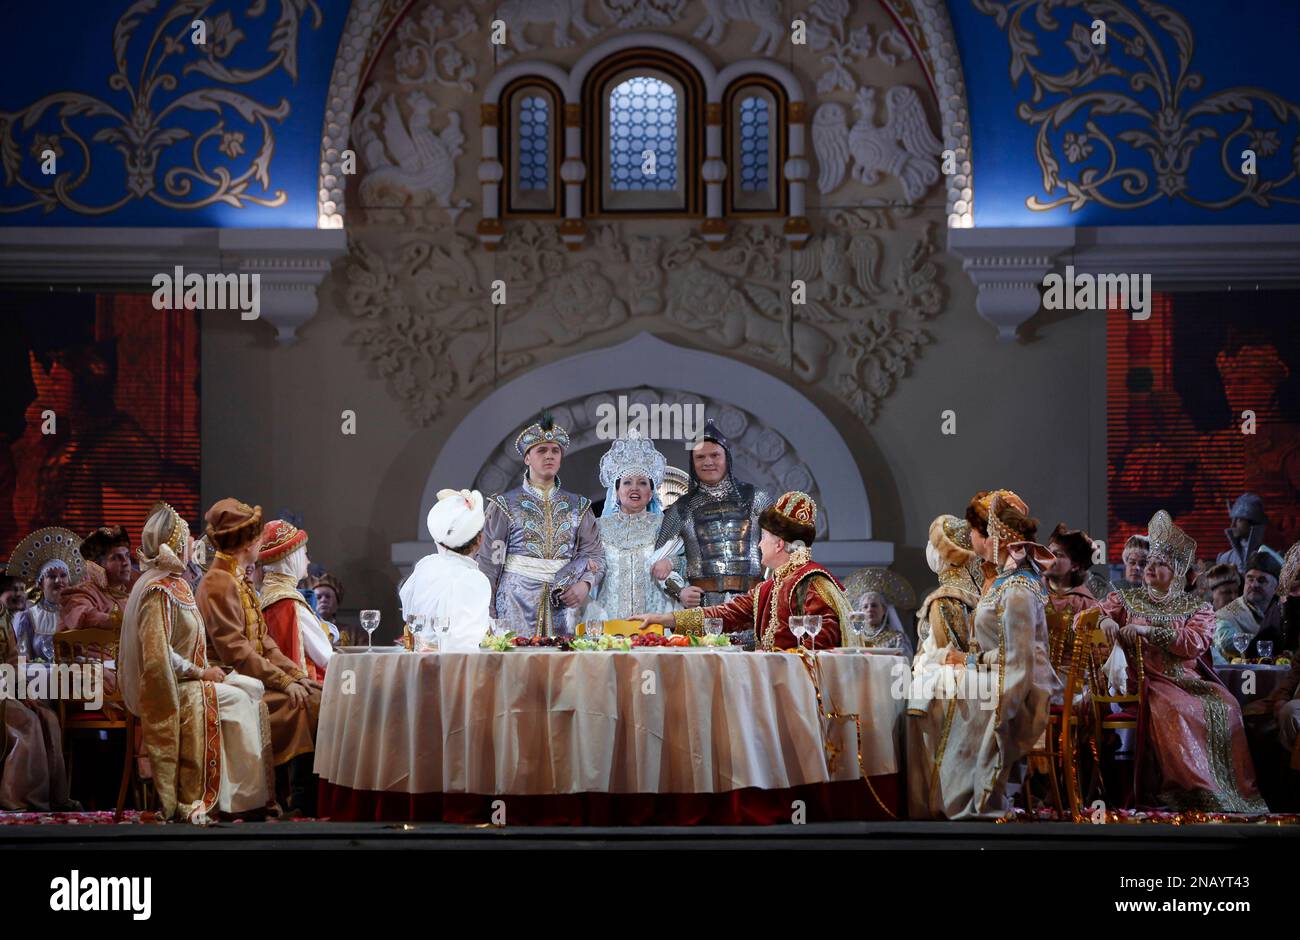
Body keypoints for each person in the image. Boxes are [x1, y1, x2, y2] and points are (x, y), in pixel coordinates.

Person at [1100, 510, 1268, 813]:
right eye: (1150, 561)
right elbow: (1083, 618)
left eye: (1160, 563)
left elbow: (1194, 643)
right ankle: (1187, 792)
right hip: (1147, 678)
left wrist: (1149, 631)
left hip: (1185, 678)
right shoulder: (1126, 600)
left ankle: (1232, 793)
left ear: (1177, 571)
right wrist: (1103, 623)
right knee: (1179, 709)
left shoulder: (1195, 607)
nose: (1151, 567)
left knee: (1227, 704)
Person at [118, 503, 276, 822]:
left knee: (254, 691)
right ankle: (222, 800)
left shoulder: (178, 584)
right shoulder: (156, 592)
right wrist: (202, 672)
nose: (193, 540)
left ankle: (247, 797)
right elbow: (158, 654)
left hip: (193, 678)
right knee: (238, 700)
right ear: (175, 542)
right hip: (174, 687)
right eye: (187, 535)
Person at [195, 499, 321, 816]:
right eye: (256, 538)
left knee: (315, 693)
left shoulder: (237, 578)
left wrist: (296, 676)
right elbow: (236, 651)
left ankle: (305, 798)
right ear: (247, 543)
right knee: (300, 705)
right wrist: (284, 683)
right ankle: (296, 799)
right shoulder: (218, 582)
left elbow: (264, 641)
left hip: (250, 675)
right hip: (230, 679)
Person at [940, 490, 1057, 819]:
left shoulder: (1017, 589)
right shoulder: (1007, 581)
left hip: (1022, 687)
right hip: (1005, 674)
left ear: (996, 540)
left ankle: (971, 794)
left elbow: (1018, 662)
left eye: (977, 534)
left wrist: (969, 663)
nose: (973, 540)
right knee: (940, 685)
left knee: (946, 694)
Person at [634, 491, 850, 650]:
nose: (758, 544)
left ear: (779, 545)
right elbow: (726, 614)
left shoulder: (811, 583)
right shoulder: (771, 586)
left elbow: (824, 644)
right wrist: (664, 619)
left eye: (763, 537)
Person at [476, 414, 603, 638]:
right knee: (518, 666)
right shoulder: (504, 505)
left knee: (564, 669)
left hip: (564, 602)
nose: (549, 456)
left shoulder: (579, 506)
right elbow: (489, 563)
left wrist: (585, 585)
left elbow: (594, 555)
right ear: (527, 458)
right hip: (515, 600)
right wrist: (488, 612)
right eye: (541, 450)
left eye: (555, 451)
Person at [907, 514, 984, 820]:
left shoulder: (944, 598)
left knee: (915, 701)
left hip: (955, 681)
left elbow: (945, 651)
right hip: (977, 676)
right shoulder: (978, 591)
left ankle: (933, 800)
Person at [651, 420, 774, 609]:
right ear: (693, 461)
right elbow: (658, 564)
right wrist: (678, 591)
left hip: (753, 604)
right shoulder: (682, 508)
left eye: (715, 455)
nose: (708, 462)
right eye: (700, 457)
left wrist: (768, 589)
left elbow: (780, 549)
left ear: (727, 458)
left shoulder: (757, 498)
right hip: (703, 607)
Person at [581, 433, 679, 623]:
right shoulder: (598, 528)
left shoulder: (664, 526)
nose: (635, 488)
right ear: (616, 492)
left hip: (654, 619)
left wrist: (671, 563)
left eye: (642, 483)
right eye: (627, 482)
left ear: (651, 493)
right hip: (608, 619)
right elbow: (585, 563)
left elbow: (684, 561)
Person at [0, 572, 73, 811]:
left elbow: (11, 659)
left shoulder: (2, 616)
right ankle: (18, 798)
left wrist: (23, 692)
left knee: (47, 716)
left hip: (6, 688)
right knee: (27, 722)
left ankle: (55, 798)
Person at [401, 489, 492, 650]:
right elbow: (466, 644)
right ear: (479, 540)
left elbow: (407, 612)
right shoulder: (473, 579)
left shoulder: (426, 565)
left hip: (418, 664)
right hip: (451, 669)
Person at [258, 521, 333, 682]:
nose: (308, 561)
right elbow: (325, 656)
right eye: (304, 554)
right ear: (293, 559)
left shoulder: (267, 595)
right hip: (305, 683)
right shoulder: (289, 602)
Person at [9, 527, 84, 664]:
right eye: (51, 576)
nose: (58, 581)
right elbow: (22, 661)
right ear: (40, 583)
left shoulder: (79, 613)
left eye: (63, 576)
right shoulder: (28, 617)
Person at [1044, 523, 1102, 691]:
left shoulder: (1087, 605)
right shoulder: (1030, 593)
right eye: (1048, 552)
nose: (1049, 558)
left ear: (1075, 565)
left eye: (1058, 554)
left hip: (1073, 681)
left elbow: (1099, 652)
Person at [60, 525, 138, 633]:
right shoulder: (84, 592)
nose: (125, 563)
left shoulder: (132, 595)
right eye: (116, 557)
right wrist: (116, 621)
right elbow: (80, 614)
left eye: (127, 555)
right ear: (97, 565)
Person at [1212, 549, 1284, 664]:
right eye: (1250, 579)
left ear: (1276, 588)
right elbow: (1226, 643)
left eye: (1262, 580)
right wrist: (1270, 641)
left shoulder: (1282, 611)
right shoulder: (1226, 615)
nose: (1254, 585)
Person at [842, 567, 913, 655]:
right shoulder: (855, 638)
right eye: (865, 607)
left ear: (884, 610)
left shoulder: (897, 638)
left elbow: (905, 662)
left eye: (874, 605)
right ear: (860, 612)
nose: (870, 609)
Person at [1218, 493, 1270, 574]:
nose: (1233, 525)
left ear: (1252, 523)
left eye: (1239, 520)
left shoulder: (1269, 559)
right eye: (1233, 519)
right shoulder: (1226, 559)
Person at [308, 572, 347, 646]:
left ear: (337, 603)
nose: (323, 600)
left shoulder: (356, 634)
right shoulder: (305, 632)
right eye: (318, 597)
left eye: (328, 596)